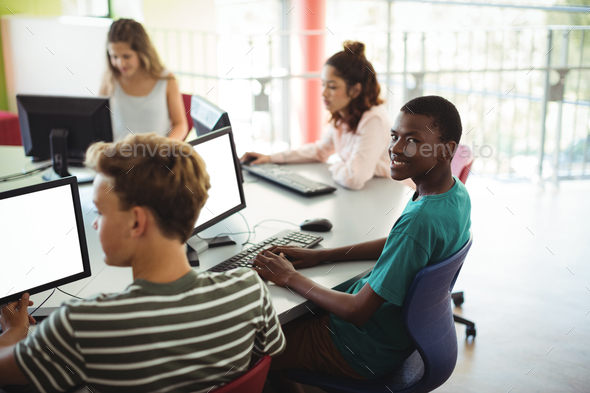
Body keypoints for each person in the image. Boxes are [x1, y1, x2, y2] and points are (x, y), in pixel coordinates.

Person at [0, 134, 286, 392]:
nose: (96, 224)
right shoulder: (250, 291)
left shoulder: (83, 324)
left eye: (100, 211)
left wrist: (14, 332)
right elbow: (272, 354)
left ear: (137, 221)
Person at [252, 96, 472, 393]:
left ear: (445, 151)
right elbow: (400, 243)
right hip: (394, 338)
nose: (394, 148)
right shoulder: (453, 194)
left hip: (359, 348)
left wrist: (289, 276)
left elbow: (357, 311)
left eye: (412, 140)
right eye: (394, 136)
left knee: (253, 347)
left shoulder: (420, 220)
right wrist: (322, 257)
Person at [241, 41, 391, 191]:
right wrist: (270, 158)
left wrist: (334, 165)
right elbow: (320, 151)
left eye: (332, 86)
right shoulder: (344, 115)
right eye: (323, 84)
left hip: (384, 194)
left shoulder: (373, 119)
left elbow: (353, 179)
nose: (324, 93)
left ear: (355, 90)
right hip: (367, 192)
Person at [100, 19, 189, 141]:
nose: (120, 63)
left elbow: (180, 125)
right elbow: (98, 121)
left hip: (157, 155)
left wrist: (167, 146)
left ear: (142, 52)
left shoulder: (166, 80)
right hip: (120, 156)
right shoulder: (110, 80)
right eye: (114, 56)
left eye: (126, 56)